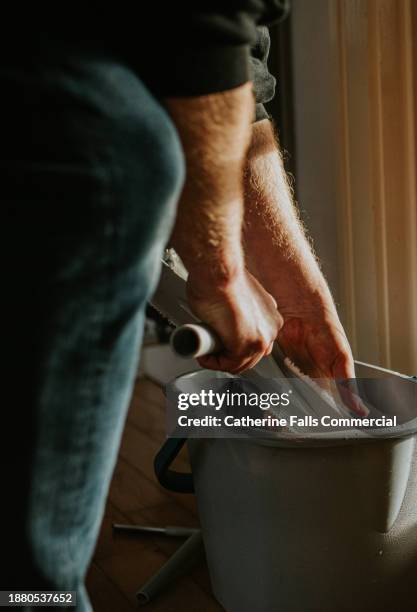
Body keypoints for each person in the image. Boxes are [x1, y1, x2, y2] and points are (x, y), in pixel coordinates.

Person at [1, 3, 357, 609]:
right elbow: (201, 37)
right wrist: (219, 278)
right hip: (62, 149)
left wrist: (298, 289)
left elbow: (233, 69)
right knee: (30, 563)